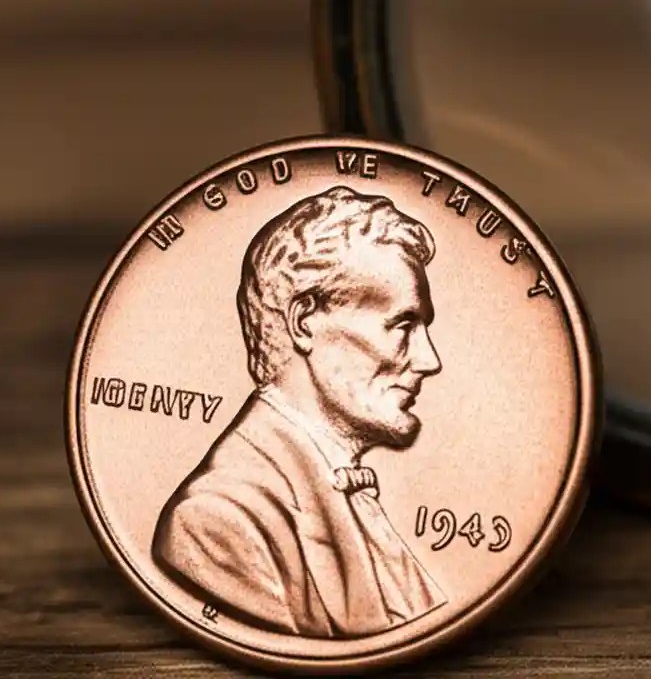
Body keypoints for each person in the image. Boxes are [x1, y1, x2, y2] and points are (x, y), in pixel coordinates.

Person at [151, 185, 447, 638]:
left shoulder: (343, 491)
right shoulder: (214, 522)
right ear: (304, 322)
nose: (429, 360)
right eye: (403, 325)